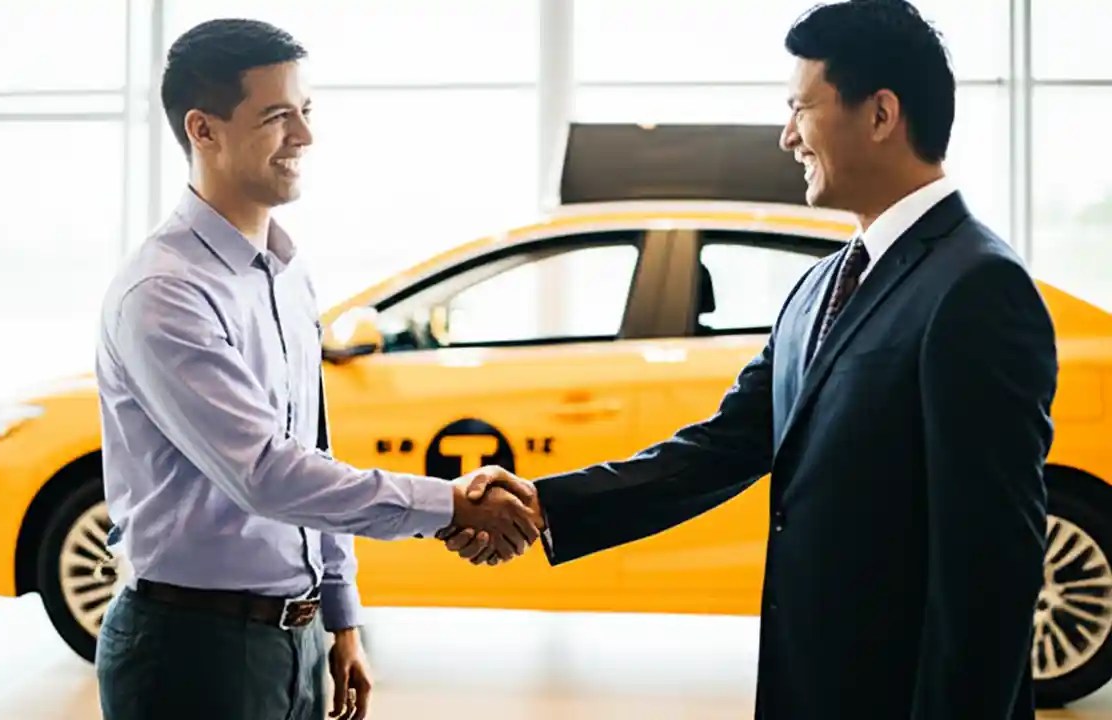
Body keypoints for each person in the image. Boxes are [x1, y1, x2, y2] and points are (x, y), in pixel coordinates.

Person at [440, 2, 1058, 718]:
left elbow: (990, 567)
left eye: (802, 108)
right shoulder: (821, 283)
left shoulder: (978, 287)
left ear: (881, 113)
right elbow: (722, 447)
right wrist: (545, 502)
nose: (788, 135)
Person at [93, 18, 540, 720]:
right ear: (202, 131)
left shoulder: (284, 271)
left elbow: (311, 453)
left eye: (306, 112)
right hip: (191, 650)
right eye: (277, 117)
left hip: (289, 638)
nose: (304, 136)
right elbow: (267, 474)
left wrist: (339, 615)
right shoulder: (165, 293)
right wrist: (451, 505)